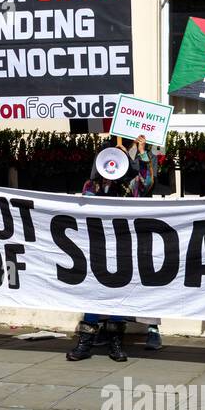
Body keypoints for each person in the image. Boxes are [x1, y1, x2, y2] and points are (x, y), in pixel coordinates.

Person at [68, 136, 160, 363]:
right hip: (98, 246)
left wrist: (141, 153)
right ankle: (85, 342)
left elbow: (147, 183)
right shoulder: (91, 185)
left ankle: (116, 343)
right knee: (93, 293)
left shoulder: (130, 185)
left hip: (122, 247)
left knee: (118, 293)